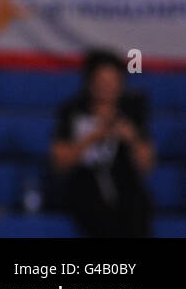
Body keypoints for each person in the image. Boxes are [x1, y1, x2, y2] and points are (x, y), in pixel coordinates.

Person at [50, 49, 154, 237]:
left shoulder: (132, 110)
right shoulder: (72, 111)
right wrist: (93, 137)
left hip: (125, 187)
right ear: (90, 82)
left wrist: (132, 139)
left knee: (138, 208)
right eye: (102, 81)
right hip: (84, 186)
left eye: (112, 81)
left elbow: (146, 165)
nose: (107, 87)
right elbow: (60, 164)